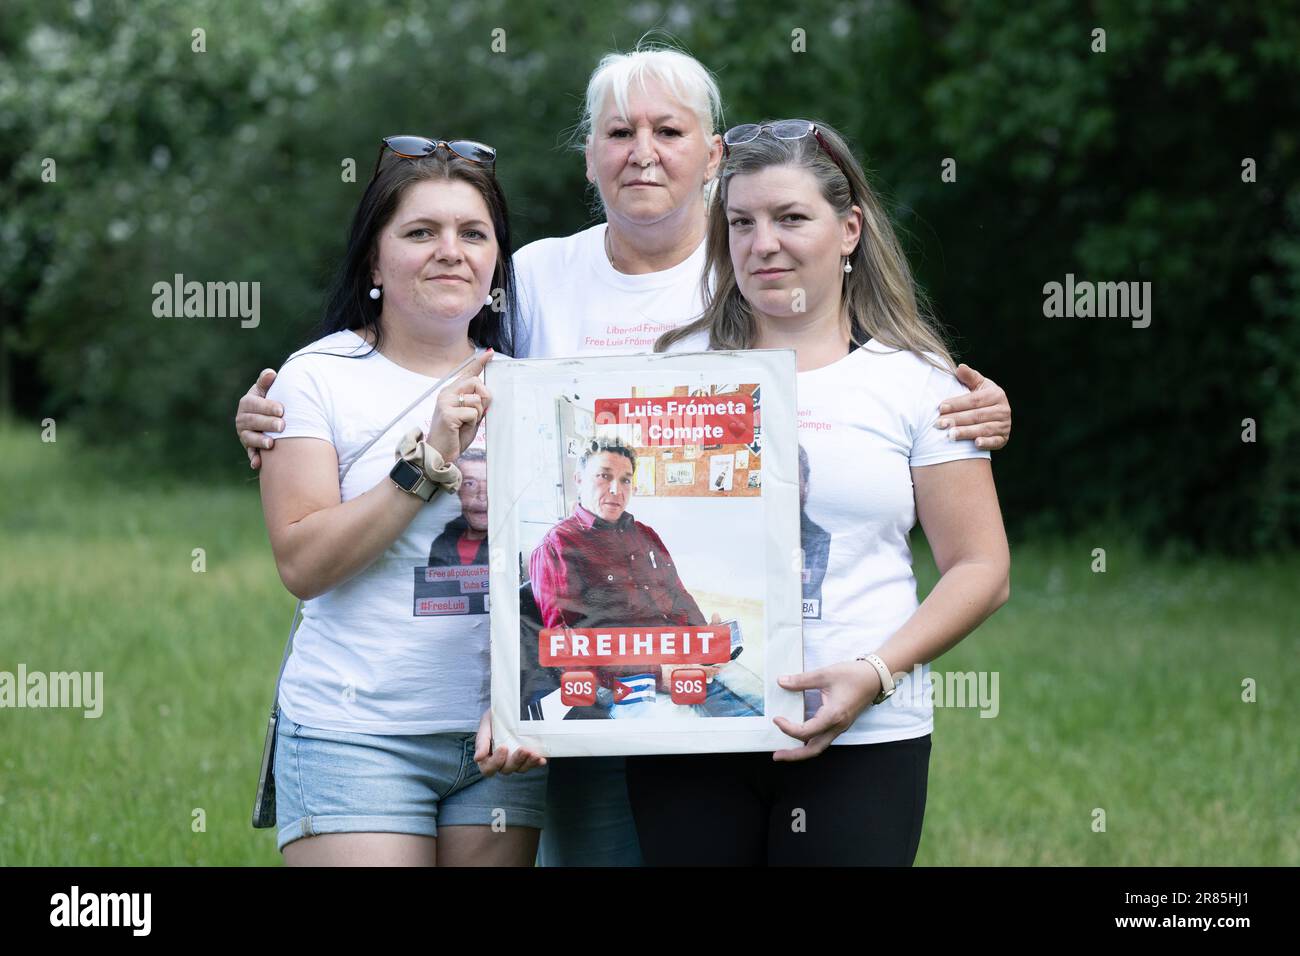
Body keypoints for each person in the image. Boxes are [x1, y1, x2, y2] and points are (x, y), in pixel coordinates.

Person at [234, 45, 1014, 866]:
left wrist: (979, 410)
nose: (643, 151)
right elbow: (431, 360)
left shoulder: (736, 300)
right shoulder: (534, 280)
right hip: (555, 687)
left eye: (669, 130)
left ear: (713, 158)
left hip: (692, 696)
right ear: (590, 155)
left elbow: (857, 396)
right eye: (619, 131)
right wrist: (278, 412)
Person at [620, 119, 1010, 865]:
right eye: (741, 222)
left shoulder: (918, 383)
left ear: (850, 228)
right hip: (690, 721)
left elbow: (981, 569)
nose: (762, 243)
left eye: (790, 217)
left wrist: (874, 674)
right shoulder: (669, 373)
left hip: (866, 731)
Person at [256, 134, 546, 866]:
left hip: (500, 735)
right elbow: (304, 562)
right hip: (355, 732)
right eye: (421, 232)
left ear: (494, 265)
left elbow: (553, 571)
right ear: (374, 263)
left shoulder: (534, 387)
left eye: (472, 233)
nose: (450, 250)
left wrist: (529, 696)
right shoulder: (318, 378)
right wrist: (429, 462)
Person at [528, 440, 726, 713]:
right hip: (619, 681)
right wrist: (656, 674)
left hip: (679, 659)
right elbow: (567, 649)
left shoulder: (645, 534)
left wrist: (704, 636)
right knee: (701, 734)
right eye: (604, 476)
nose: (615, 490)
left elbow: (678, 594)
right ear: (579, 479)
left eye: (625, 480)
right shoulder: (557, 547)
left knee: (754, 710)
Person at [425, 448, 489, 614]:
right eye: (470, 483)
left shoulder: (513, 543)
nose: (482, 496)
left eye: (490, 483)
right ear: (457, 489)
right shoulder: (442, 543)